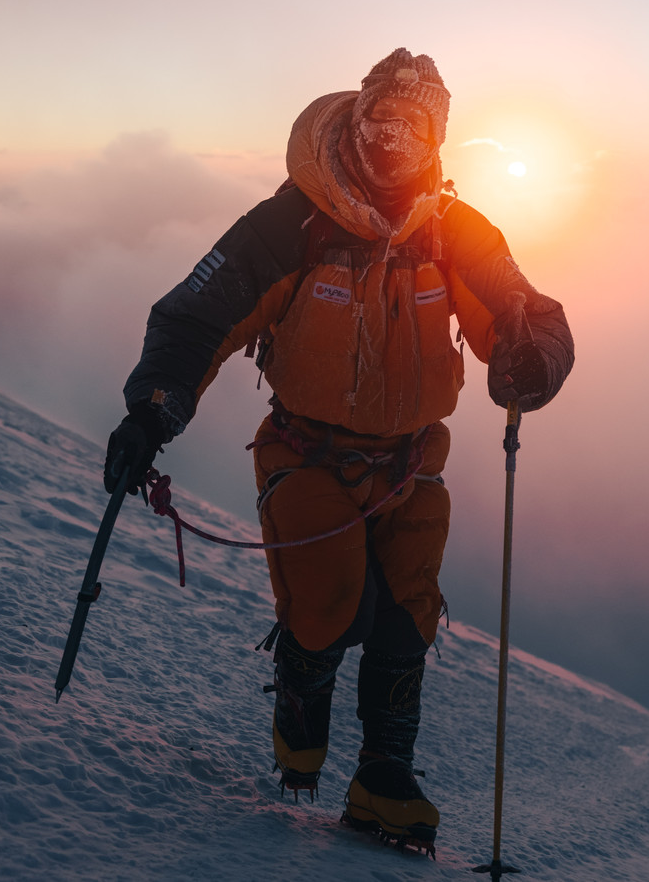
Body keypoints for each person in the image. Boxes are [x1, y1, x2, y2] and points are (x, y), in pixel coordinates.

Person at [102, 48, 574, 854]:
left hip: (410, 462)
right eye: (381, 118)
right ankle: (300, 702)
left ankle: (383, 779)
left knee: (405, 621)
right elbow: (195, 320)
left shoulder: (456, 231)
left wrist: (532, 358)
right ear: (355, 118)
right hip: (306, 451)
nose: (392, 139)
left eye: (412, 125)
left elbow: (523, 312)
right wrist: (154, 408)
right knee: (329, 607)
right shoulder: (290, 225)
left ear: (436, 138)